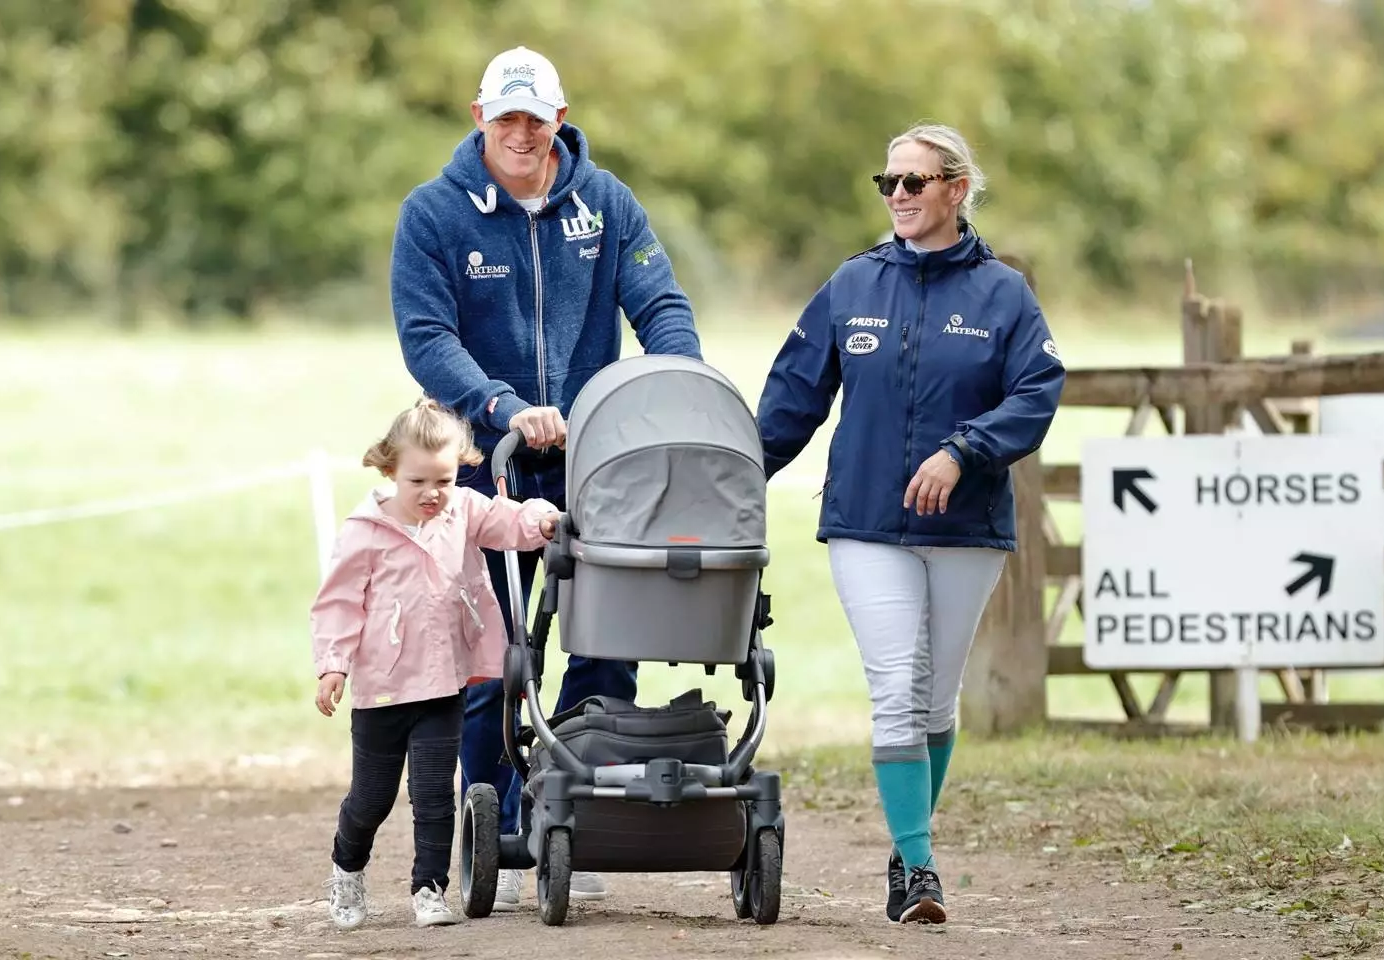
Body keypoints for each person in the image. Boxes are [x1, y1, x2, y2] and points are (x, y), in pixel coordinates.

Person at [387, 45, 703, 908]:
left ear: (560, 119)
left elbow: (661, 306)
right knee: (492, 657)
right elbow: (426, 335)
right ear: (479, 118)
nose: (521, 135)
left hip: (598, 466)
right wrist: (499, 405)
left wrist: (681, 386)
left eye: (536, 119)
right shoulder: (434, 216)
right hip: (484, 467)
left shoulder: (605, 205)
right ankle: (490, 824)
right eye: (505, 120)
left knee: (607, 639)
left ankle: (576, 813)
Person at [754, 122, 1065, 925]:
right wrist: (733, 475)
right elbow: (792, 399)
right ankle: (919, 873)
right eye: (887, 182)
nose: (896, 195)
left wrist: (965, 451)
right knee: (895, 688)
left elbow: (1035, 396)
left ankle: (907, 839)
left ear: (955, 191)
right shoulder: (852, 285)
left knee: (935, 701)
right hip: (864, 522)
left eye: (913, 183)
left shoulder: (1005, 294)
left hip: (967, 530)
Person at [311, 398, 560, 930]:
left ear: (460, 471)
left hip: (443, 684)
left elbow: (507, 521)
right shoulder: (365, 530)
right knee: (371, 799)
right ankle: (347, 868)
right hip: (381, 691)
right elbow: (338, 603)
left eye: (443, 480)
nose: (432, 494)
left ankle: (429, 890)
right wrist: (333, 663)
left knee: (434, 796)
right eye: (418, 481)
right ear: (390, 471)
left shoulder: (462, 510)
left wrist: (542, 519)